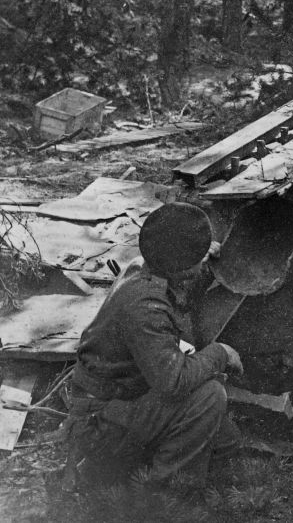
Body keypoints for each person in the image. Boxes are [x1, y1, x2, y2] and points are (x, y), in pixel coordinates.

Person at [65, 202, 243, 491]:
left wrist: (199, 265)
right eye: (195, 256)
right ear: (181, 266)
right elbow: (173, 381)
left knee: (227, 439)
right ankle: (161, 493)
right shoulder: (145, 305)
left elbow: (176, 300)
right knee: (209, 396)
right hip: (99, 424)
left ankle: (142, 472)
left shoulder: (142, 270)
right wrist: (222, 353)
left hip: (112, 405)